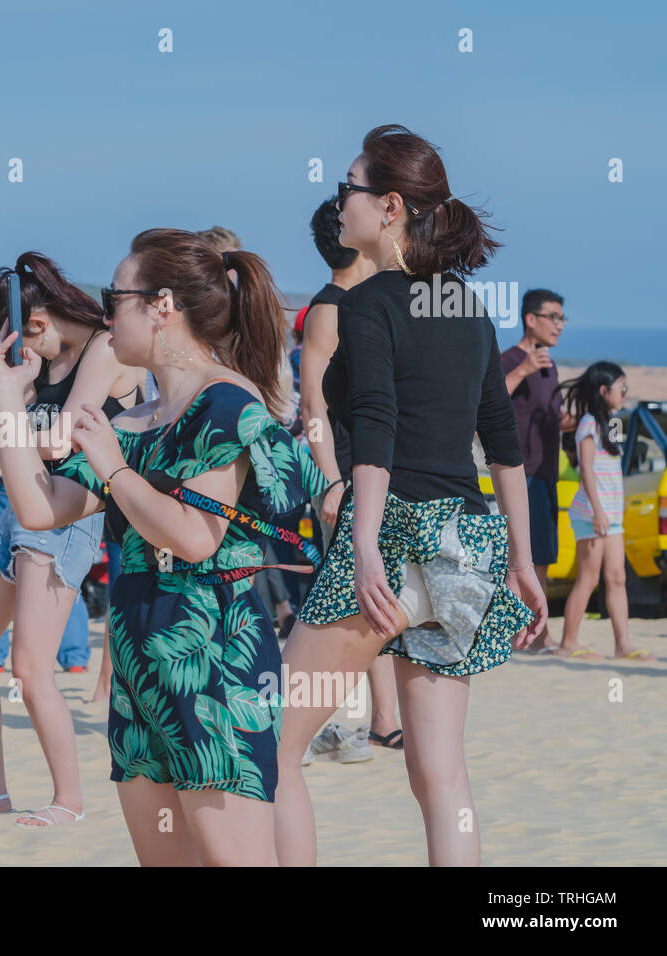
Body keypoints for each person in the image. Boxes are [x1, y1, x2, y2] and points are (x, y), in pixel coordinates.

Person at [0, 228, 324, 864]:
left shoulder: (224, 403)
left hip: (215, 664)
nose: (103, 312)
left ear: (161, 306)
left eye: (115, 296)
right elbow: (40, 508)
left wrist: (116, 471)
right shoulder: (132, 423)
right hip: (141, 670)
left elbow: (197, 537)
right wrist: (9, 402)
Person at [277, 125, 547, 867]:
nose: (339, 205)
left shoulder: (368, 304)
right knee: (441, 773)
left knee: (276, 750)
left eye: (349, 189)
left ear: (390, 206)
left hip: (392, 533)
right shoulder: (466, 307)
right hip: (469, 539)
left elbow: (377, 427)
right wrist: (523, 560)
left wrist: (363, 545)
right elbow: (501, 444)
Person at [0, 251, 143, 826]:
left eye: (19, 336)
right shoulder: (41, 364)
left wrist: (8, 400)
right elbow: (14, 452)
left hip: (69, 512)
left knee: (30, 667)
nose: (20, 352)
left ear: (36, 321)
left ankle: (68, 800)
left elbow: (62, 440)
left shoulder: (104, 347)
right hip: (22, 509)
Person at [298, 198, 401, 756]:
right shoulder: (330, 309)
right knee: (348, 602)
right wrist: (332, 480)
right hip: (346, 470)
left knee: (374, 598)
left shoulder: (370, 301)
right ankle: (364, 720)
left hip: (378, 467)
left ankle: (384, 719)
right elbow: (312, 404)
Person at [0, 289, 99, 674]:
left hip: (5, 479)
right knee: (57, 581)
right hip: (52, 482)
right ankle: (73, 657)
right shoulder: (54, 358)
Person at [557, 363, 653, 661]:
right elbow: (585, 468)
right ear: (603, 390)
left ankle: (622, 644)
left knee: (617, 578)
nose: (625, 393)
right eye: (621, 388)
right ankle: (568, 643)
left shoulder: (610, 421)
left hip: (612, 515)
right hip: (592, 513)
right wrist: (598, 511)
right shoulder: (588, 422)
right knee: (589, 578)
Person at [500, 289, 572, 654]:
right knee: (526, 557)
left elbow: (551, 417)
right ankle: (535, 639)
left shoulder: (551, 365)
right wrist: (523, 369)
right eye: (554, 317)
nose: (560, 325)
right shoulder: (511, 358)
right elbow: (491, 401)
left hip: (545, 473)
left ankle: (535, 636)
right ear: (531, 319)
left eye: (562, 318)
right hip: (519, 475)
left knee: (541, 555)